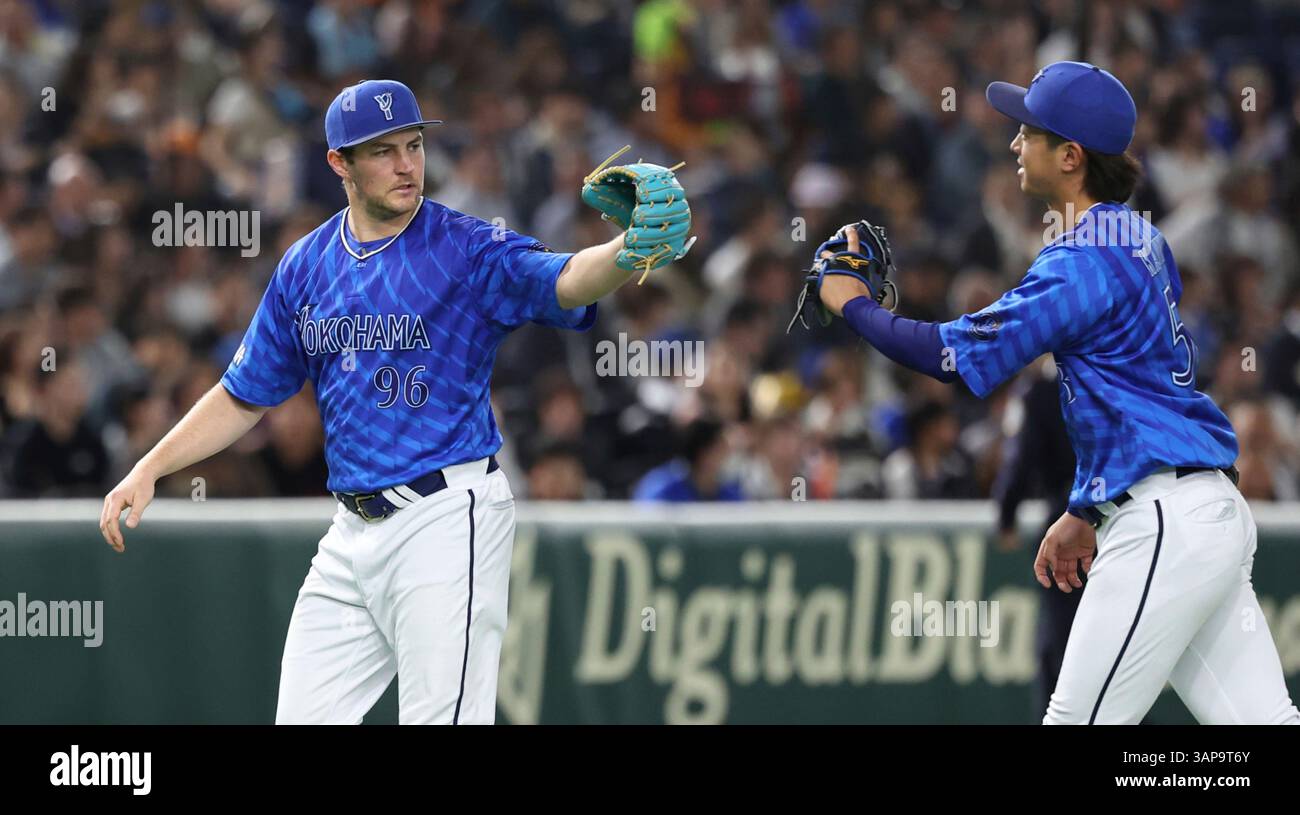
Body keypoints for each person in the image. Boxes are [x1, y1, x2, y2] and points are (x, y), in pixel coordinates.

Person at [98, 79, 693, 724]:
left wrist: (624, 249)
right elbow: (244, 395)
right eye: (382, 152)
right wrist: (150, 467)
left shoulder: (466, 247)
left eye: (413, 145)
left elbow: (563, 279)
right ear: (339, 164)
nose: (407, 164)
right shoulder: (306, 267)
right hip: (351, 534)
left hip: (444, 516)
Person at [812, 62, 1299, 725]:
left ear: (1070, 157)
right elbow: (1135, 388)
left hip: (1164, 524)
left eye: (1029, 133)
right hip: (1204, 508)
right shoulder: (1139, 236)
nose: (1015, 143)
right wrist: (1087, 505)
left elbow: (956, 357)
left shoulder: (1084, 260)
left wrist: (854, 305)